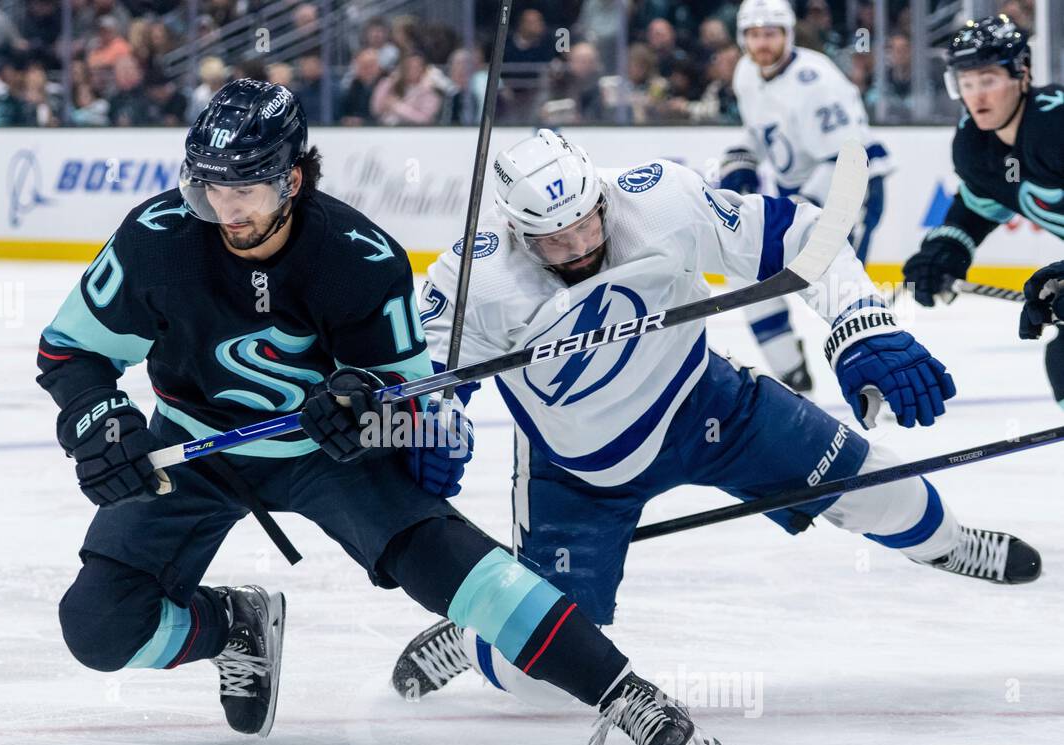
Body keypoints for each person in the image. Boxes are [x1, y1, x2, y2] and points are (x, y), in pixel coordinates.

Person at [36, 80, 718, 745]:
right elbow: (69, 350)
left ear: (292, 180)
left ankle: (627, 695)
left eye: (246, 191)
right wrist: (102, 425)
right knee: (98, 627)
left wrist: (364, 408)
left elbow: (408, 401)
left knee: (462, 571)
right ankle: (234, 626)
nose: (226, 210)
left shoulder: (357, 257)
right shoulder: (156, 240)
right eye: (210, 188)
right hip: (194, 442)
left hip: (323, 458)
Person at [390, 128, 1040, 705]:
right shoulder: (475, 278)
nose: (583, 244)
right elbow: (423, 377)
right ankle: (476, 637)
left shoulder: (661, 201)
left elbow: (798, 234)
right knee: (535, 663)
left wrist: (859, 325)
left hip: (709, 405)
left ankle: (952, 545)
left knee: (877, 487)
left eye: (589, 221)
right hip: (576, 469)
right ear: (516, 229)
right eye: (556, 239)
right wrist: (431, 425)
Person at [720, 0, 890, 393]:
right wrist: (740, 160)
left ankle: (881, 374)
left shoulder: (817, 80)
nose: (761, 43)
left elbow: (846, 157)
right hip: (798, 193)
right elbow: (760, 134)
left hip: (851, 189)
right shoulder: (746, 72)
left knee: (842, 291)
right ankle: (792, 374)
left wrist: (797, 211)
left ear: (788, 34)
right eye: (753, 34)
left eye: (770, 34)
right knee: (748, 274)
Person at [901, 15, 1064, 408]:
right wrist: (946, 250)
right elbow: (977, 207)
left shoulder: (1054, 124)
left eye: (988, 80)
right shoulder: (976, 145)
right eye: (966, 83)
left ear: (1022, 73)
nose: (977, 96)